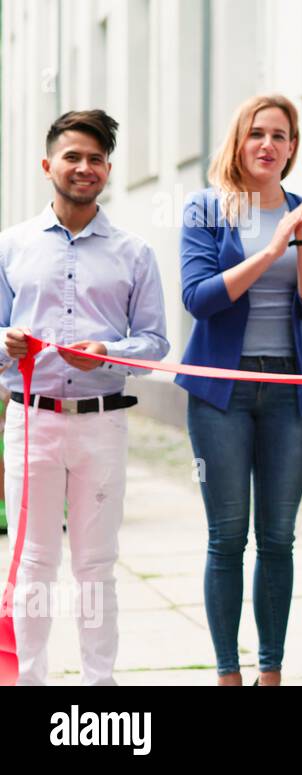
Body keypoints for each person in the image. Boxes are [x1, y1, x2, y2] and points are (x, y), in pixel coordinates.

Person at [0, 109, 169, 685]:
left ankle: (100, 687)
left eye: (95, 158)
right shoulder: (11, 247)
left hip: (101, 425)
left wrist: (110, 351)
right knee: (33, 564)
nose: (84, 167)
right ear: (48, 165)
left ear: (109, 170)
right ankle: (31, 683)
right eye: (72, 156)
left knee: (96, 565)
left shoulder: (134, 253)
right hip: (31, 422)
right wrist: (5, 344)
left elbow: (155, 343)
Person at [178, 94, 302, 686]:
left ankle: (271, 672)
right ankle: (227, 674)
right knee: (226, 538)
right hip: (222, 394)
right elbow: (199, 298)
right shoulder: (205, 209)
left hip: (288, 393)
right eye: (257, 133)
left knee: (278, 539)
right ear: (238, 142)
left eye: (281, 135)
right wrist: (269, 249)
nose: (268, 144)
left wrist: (299, 242)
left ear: (292, 147)